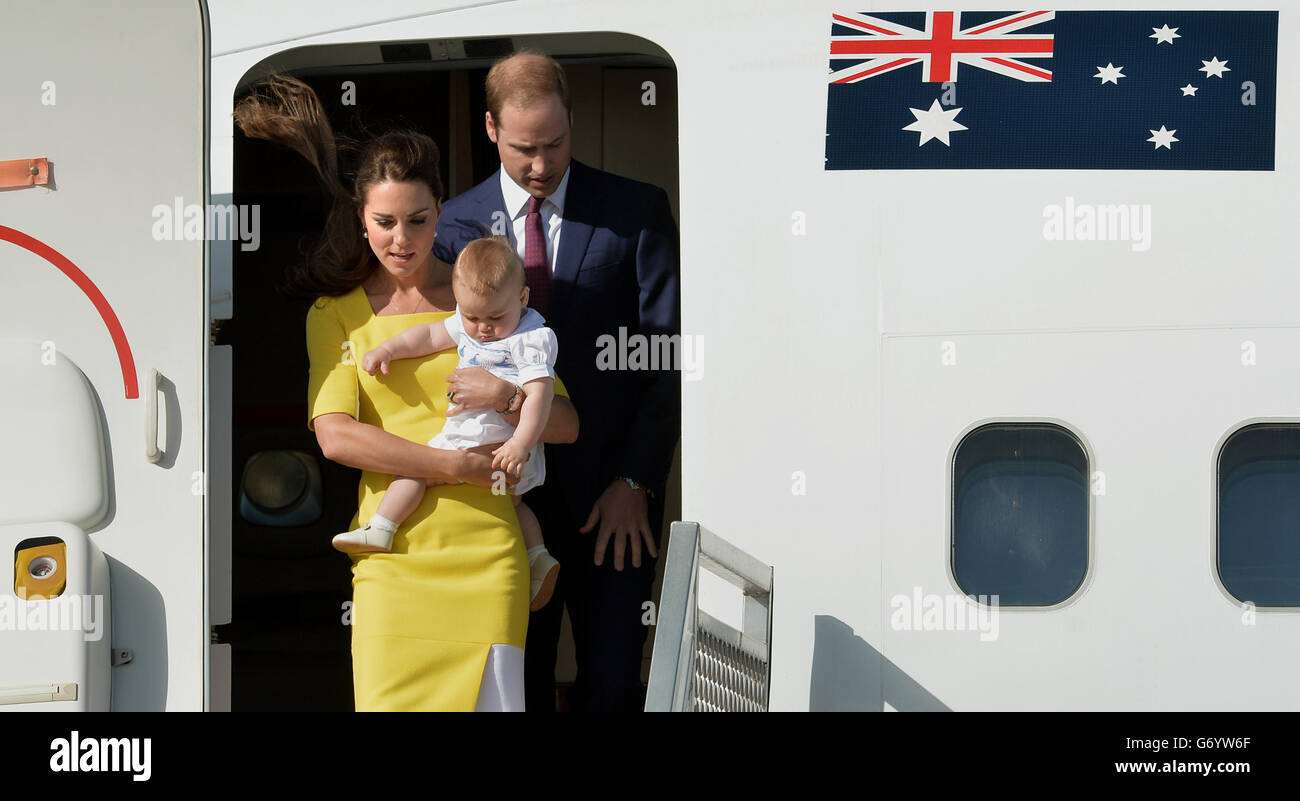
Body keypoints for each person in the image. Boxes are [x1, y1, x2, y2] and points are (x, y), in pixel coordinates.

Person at [233, 75, 579, 711]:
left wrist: (503, 395)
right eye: (385, 222)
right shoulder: (335, 314)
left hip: (488, 556)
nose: (402, 238)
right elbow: (335, 435)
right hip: (390, 556)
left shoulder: (488, 296)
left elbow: (563, 424)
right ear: (361, 221)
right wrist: (455, 466)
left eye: (418, 220)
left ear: (442, 209)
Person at [435, 51, 681, 711]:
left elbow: (666, 358)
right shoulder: (452, 227)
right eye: (523, 149)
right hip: (502, 502)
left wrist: (637, 480)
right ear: (490, 129)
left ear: (572, 119)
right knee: (515, 687)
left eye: (555, 142)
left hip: (614, 504)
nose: (541, 164)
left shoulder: (637, 211)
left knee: (611, 685)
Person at [334, 237, 563, 611]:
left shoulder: (531, 338)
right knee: (516, 504)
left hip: (499, 439)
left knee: (417, 471)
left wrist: (520, 443)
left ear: (523, 299)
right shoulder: (469, 322)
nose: (483, 329)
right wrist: (389, 349)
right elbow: (428, 335)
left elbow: (541, 396)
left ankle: (382, 527)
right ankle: (538, 554)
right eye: (471, 317)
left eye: (494, 319)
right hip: (480, 436)